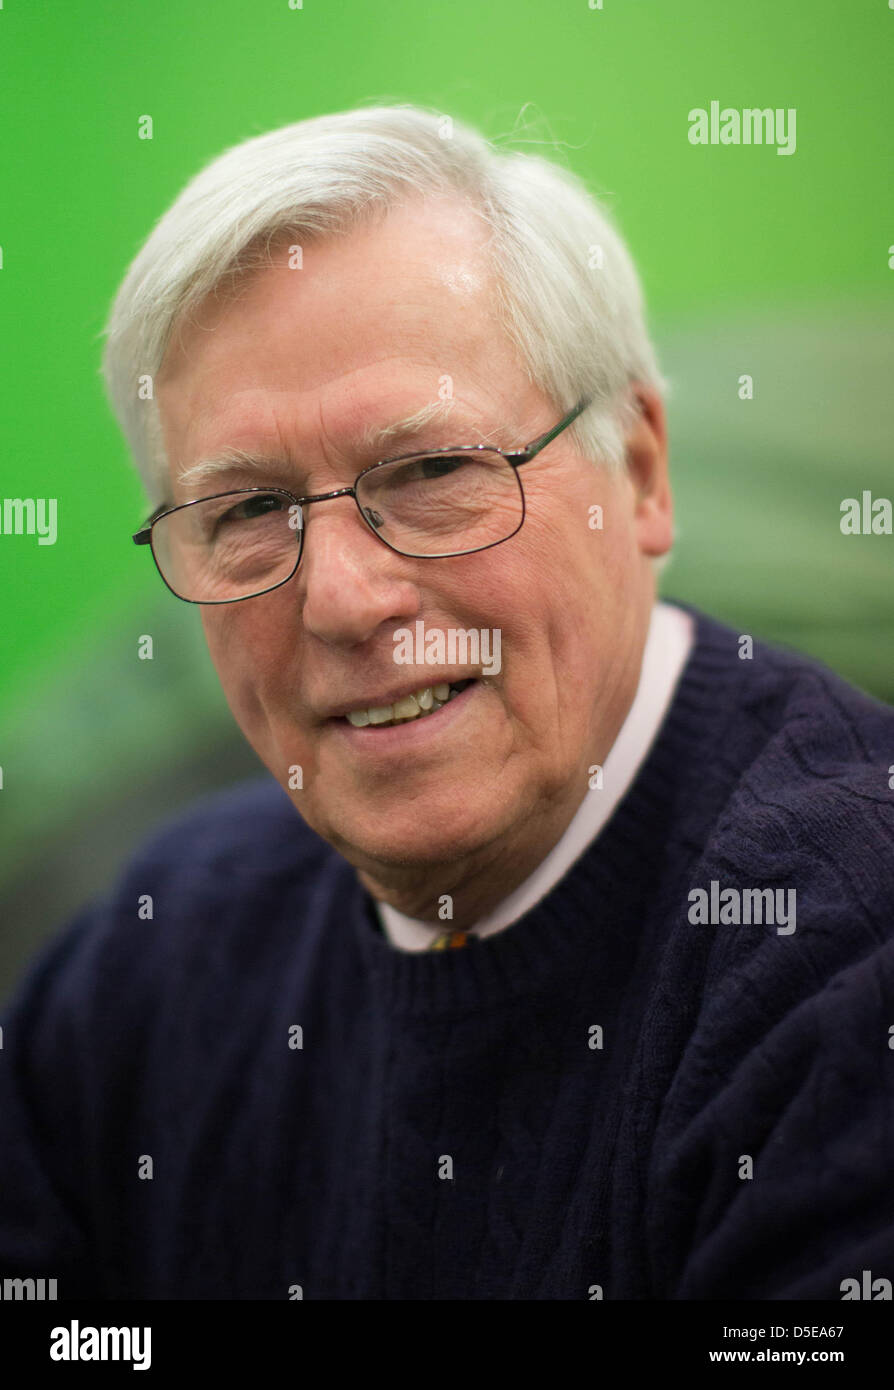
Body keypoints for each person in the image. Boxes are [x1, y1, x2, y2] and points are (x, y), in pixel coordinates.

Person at [1, 104, 893, 1301]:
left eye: (430, 472)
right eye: (249, 513)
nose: (341, 599)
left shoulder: (841, 959)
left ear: (638, 471)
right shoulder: (152, 957)